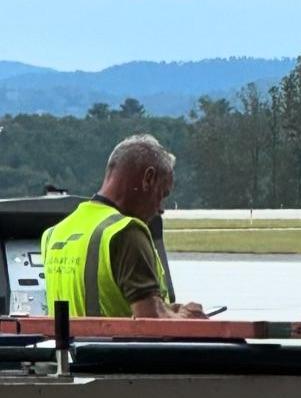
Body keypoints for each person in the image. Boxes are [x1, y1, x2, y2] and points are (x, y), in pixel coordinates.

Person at [42, 134, 205, 319]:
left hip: (68, 339)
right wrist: (187, 316)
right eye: (162, 194)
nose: (161, 208)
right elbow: (151, 320)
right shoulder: (126, 232)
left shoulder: (54, 234)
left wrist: (165, 308)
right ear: (148, 178)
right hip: (114, 340)